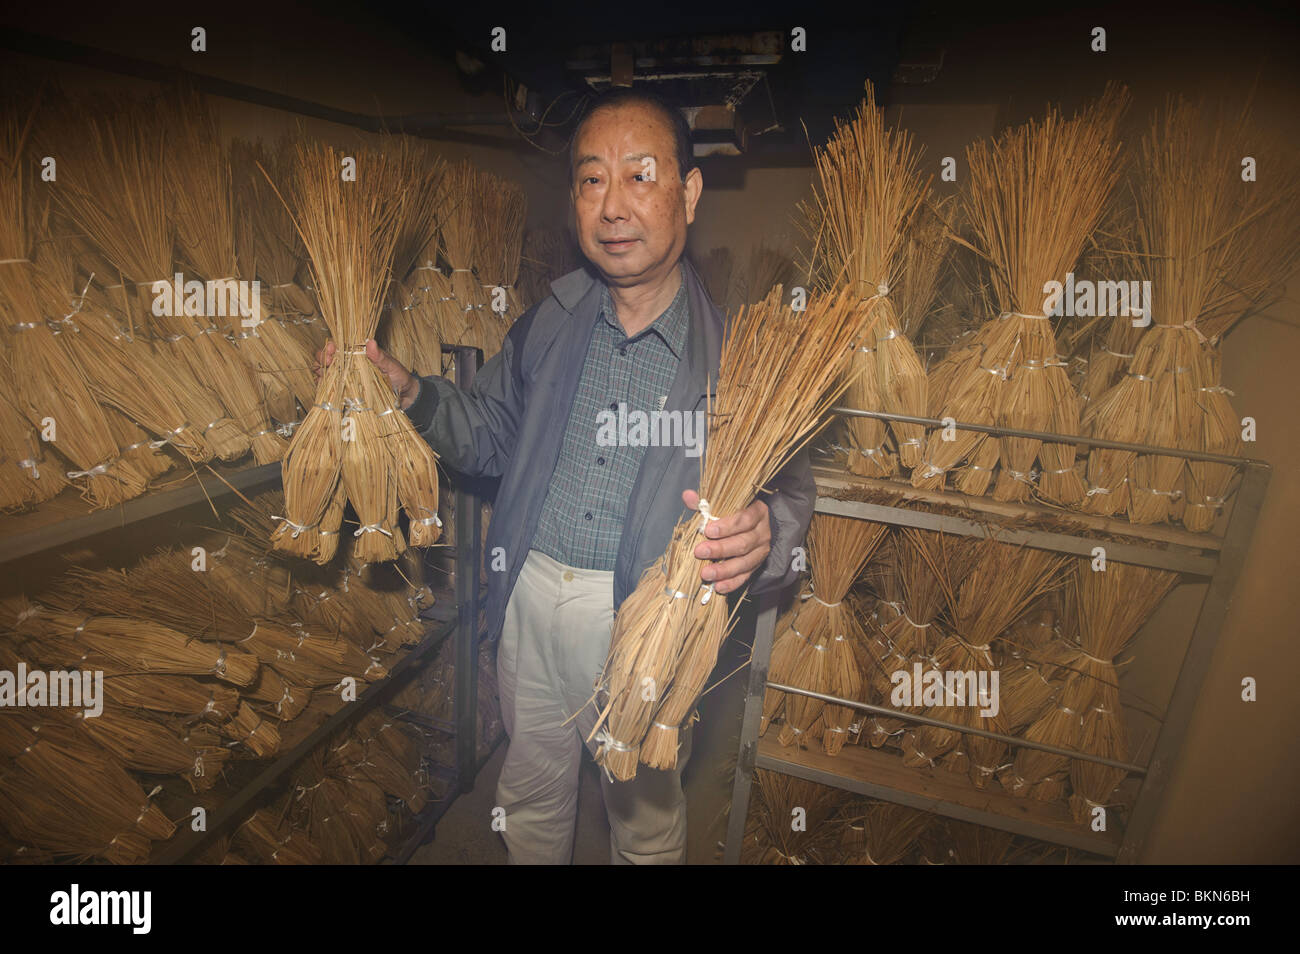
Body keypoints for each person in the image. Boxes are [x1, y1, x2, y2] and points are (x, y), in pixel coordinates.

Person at [317, 86, 815, 864]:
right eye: (591, 180)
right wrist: (412, 394)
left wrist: (768, 533)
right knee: (530, 792)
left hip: (646, 616)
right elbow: (490, 435)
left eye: (640, 176)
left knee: (644, 818)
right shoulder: (548, 321)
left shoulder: (738, 359)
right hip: (533, 596)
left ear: (688, 193)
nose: (612, 206)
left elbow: (790, 497)